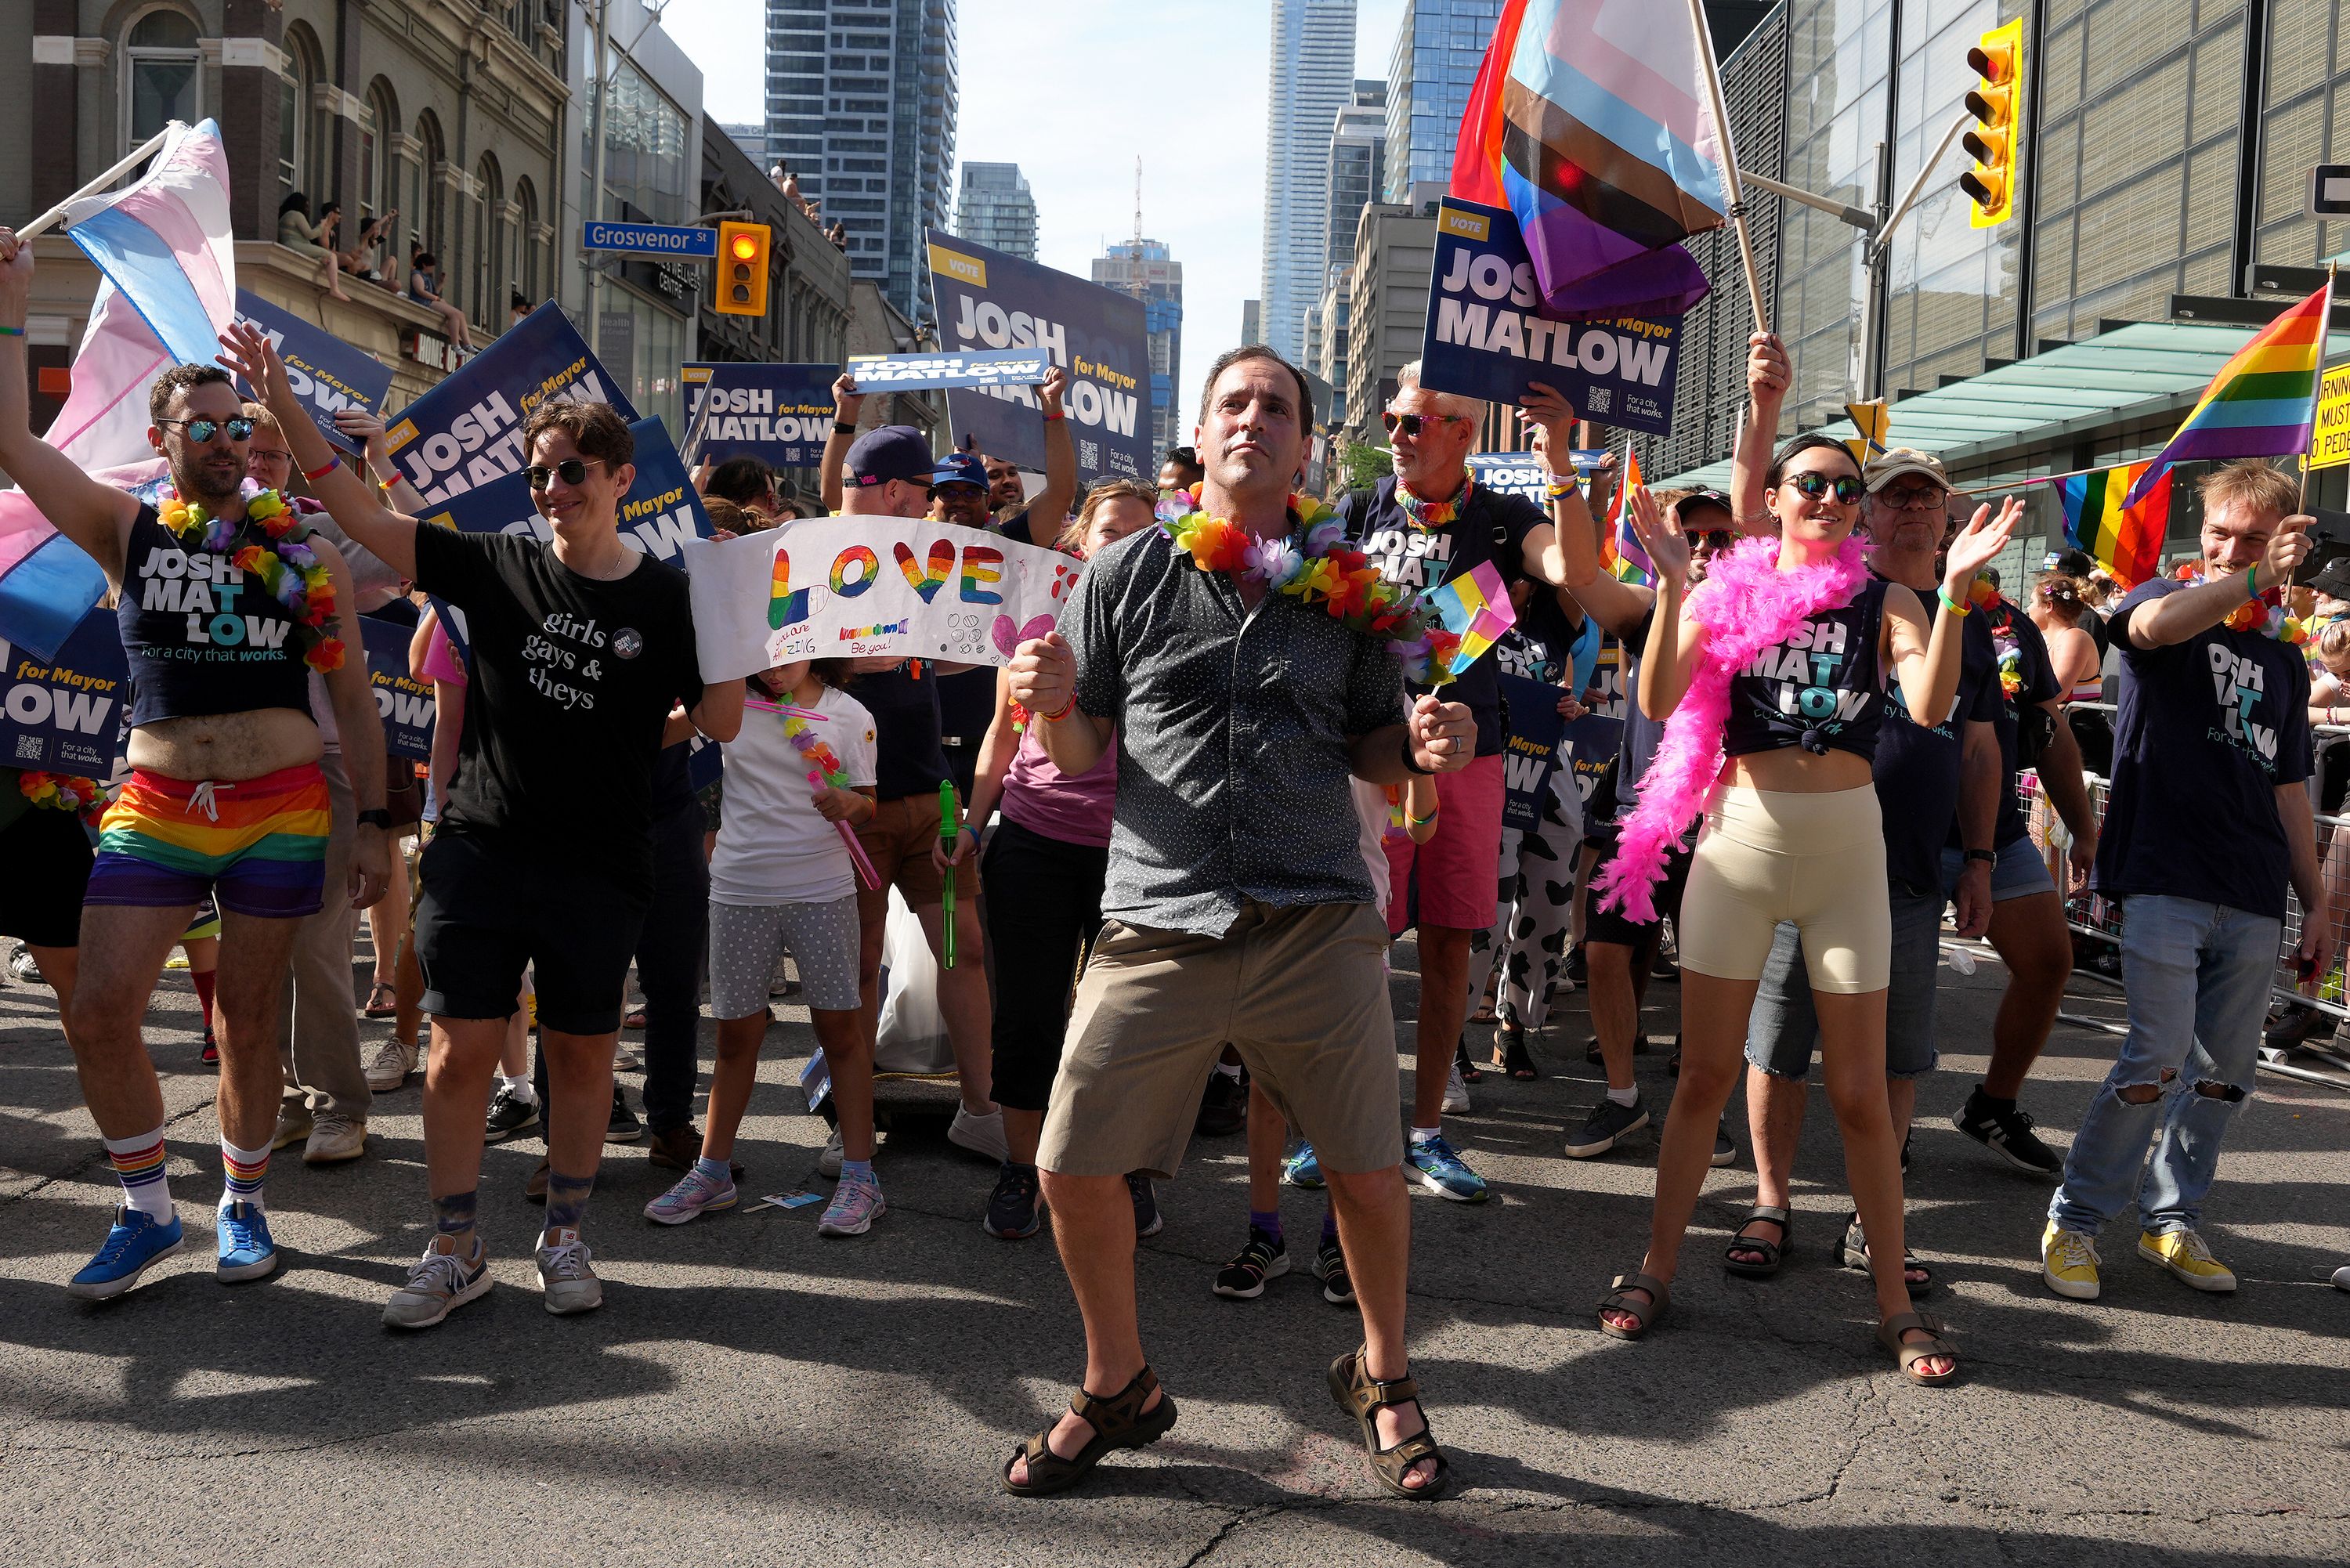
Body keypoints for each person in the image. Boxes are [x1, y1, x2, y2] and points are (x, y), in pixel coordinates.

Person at [1000, 345, 1473, 1500]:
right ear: (1201, 437)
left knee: (1368, 1171)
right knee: (1069, 1167)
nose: (1254, 417)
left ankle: (1384, 1373)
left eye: (1277, 406)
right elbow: (1080, 747)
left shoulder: (1350, 581)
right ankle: (1118, 1383)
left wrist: (1415, 748)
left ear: (1306, 447)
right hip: (1161, 913)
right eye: (1233, 403)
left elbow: (1371, 738)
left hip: (1316, 914)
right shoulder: (1123, 575)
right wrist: (1051, 704)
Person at [220, 320, 744, 1328]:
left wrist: (666, 694)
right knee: (460, 1051)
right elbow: (361, 516)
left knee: (585, 1054)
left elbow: (716, 721)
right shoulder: (497, 564)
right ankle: (457, 1243)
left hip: (601, 860)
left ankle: (567, 1236)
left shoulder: (671, 596)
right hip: (483, 851)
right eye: (541, 476)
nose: (554, 492)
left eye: (574, 473)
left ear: (622, 478)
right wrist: (282, 401)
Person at [1589, 391, 2013, 1386]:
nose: (1827, 496)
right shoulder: (1720, 589)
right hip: (1737, 848)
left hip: (1847, 856)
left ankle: (1894, 1305)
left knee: (1863, 1092)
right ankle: (1654, 1265)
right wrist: (1667, 589)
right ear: (1773, 498)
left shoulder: (1888, 601)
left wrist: (1952, 592)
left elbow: (1932, 702)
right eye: (1809, 483)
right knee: (1701, 1076)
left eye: (1845, 488)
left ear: (1860, 514)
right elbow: (1656, 699)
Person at [0, 230, 392, 1299]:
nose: (225, 440)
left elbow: (355, 697)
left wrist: (378, 825)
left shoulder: (304, 552)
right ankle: (145, 1207)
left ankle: (244, 1203)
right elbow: (12, 445)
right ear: (161, 437)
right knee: (98, 1007)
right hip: (158, 807)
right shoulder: (126, 531)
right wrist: (12, 300)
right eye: (204, 426)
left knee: (247, 1020)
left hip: (284, 810)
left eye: (238, 425)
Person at [2041, 461, 2330, 1302]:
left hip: (2249, 888)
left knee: (2224, 1071)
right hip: (2165, 874)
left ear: (2284, 537)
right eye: (2220, 534)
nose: (2229, 549)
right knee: (2158, 1053)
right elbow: (2157, 629)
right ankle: (2077, 1220)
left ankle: (2172, 1221)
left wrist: (2313, 905)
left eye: (2251, 538)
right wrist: (2252, 575)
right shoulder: (2157, 600)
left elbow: (2290, 792)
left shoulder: (2282, 659)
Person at [1727, 448, 2001, 1298]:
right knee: (1776, 1046)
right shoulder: (1809, 590)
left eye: (1927, 497)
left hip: (1910, 868)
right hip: (1797, 850)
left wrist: (1981, 859)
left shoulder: (1966, 613)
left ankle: (1869, 1216)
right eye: (1890, 497)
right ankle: (1771, 1201)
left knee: (1895, 1058)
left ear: (1947, 513)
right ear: (1867, 519)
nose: (1910, 510)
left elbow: (1980, 747)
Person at [1332, 360, 1592, 1201]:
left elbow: (1573, 570)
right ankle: (1344, 1128)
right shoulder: (1360, 508)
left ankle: (1426, 1130)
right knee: (1355, 946)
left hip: (1465, 755)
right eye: (1393, 420)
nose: (1397, 436)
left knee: (1448, 943)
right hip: (1368, 754)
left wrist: (1559, 463)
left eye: (1414, 424)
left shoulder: (1501, 515)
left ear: (1463, 435)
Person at [941, 480, 1155, 1241]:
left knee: (1120, 1032)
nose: (1124, 545)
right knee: (1028, 1019)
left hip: (1133, 855)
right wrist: (972, 822)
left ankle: (1124, 1170)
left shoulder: (1168, 636)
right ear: (1080, 545)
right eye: (1110, 531)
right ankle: (1020, 1167)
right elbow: (1003, 731)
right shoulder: (1038, 630)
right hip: (1031, 844)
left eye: (1142, 532)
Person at [1552, 433, 1765, 1168]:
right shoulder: (1652, 609)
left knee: (1711, 972)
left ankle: (1702, 1101)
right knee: (1607, 956)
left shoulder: (1764, 626)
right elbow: (1580, 574)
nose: (1706, 546)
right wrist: (1560, 467)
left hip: (1729, 822)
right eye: (1691, 534)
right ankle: (1621, 1099)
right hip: (1642, 814)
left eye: (1719, 534)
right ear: (1666, 543)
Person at [813, 388, 1004, 1165]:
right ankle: (849, 1127)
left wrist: (986, 644)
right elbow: (789, 662)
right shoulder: (824, 556)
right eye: (927, 490)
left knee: (962, 949)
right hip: (854, 807)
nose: (937, 503)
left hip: (933, 795)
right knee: (856, 964)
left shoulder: (934, 558)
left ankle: (981, 1109)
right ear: (899, 490)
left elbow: (966, 645)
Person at [646, 657, 880, 1234]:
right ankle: (712, 1171)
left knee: (841, 1036)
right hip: (738, 889)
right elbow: (656, 732)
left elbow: (870, 799)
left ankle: (860, 1176)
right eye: (760, 656)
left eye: (787, 654)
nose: (773, 670)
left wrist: (850, 803)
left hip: (821, 890)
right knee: (734, 1039)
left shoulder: (850, 715)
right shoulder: (729, 705)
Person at [242, 403, 408, 1166]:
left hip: (327, 766)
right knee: (256, 948)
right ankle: (279, 1098)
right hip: (238, 768)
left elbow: (408, 548)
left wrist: (380, 460)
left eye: (276, 455)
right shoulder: (187, 537)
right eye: (248, 451)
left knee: (316, 944)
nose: (259, 466)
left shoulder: (318, 536)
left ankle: (341, 1102)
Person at [1943, 567, 2100, 1174]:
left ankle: (1994, 1106)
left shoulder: (2011, 620)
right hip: (1897, 832)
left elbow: (2047, 726)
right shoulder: (1878, 597)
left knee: (2048, 962)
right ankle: (1885, 1131)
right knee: (1891, 984)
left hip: (1997, 830)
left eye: (1950, 513)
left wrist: (2084, 827)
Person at [2030, 573, 2105, 703]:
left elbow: (2053, 694)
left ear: (2049, 606)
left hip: (2076, 722)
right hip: (2057, 720)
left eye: (2032, 602)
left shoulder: (2074, 637)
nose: (2028, 608)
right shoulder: (2054, 640)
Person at [277, 193, 352, 303]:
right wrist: (322, 225)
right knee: (331, 256)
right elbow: (310, 234)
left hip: (292, 244)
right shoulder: (296, 215)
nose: (307, 209)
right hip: (295, 244)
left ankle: (321, 261)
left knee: (325, 257)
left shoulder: (285, 216)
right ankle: (335, 289)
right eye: (306, 206)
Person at [405, 251, 473, 350]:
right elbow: (420, 291)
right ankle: (455, 344)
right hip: (423, 302)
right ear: (424, 265)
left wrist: (441, 284)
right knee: (454, 314)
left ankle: (467, 343)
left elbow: (432, 292)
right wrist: (436, 299)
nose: (433, 268)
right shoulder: (417, 274)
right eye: (431, 265)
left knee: (460, 314)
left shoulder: (427, 277)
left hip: (429, 301)